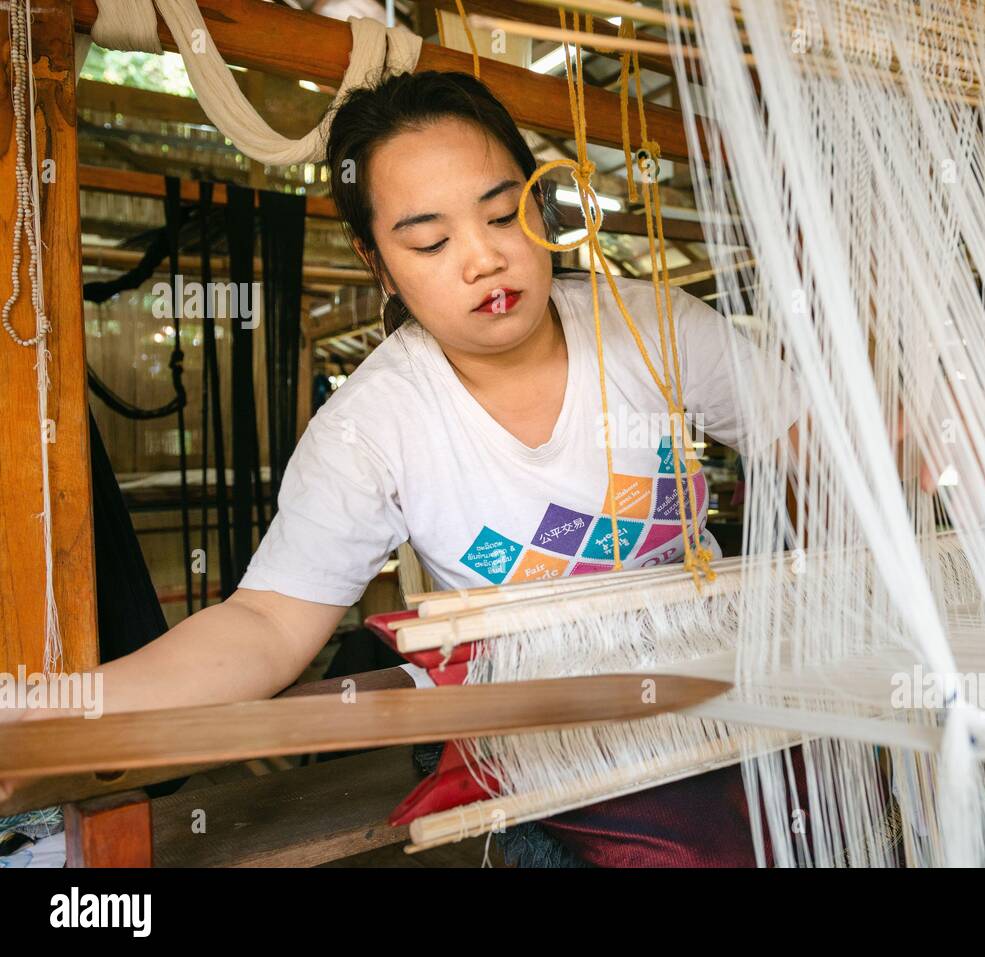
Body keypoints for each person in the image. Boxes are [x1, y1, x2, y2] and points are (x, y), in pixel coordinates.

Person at [1, 70, 814, 866]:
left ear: (542, 204)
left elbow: (813, 446)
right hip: (535, 739)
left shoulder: (658, 333)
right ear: (377, 261)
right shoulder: (374, 424)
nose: (485, 260)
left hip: (707, 694)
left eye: (503, 214)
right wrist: (54, 712)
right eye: (430, 240)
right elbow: (268, 624)